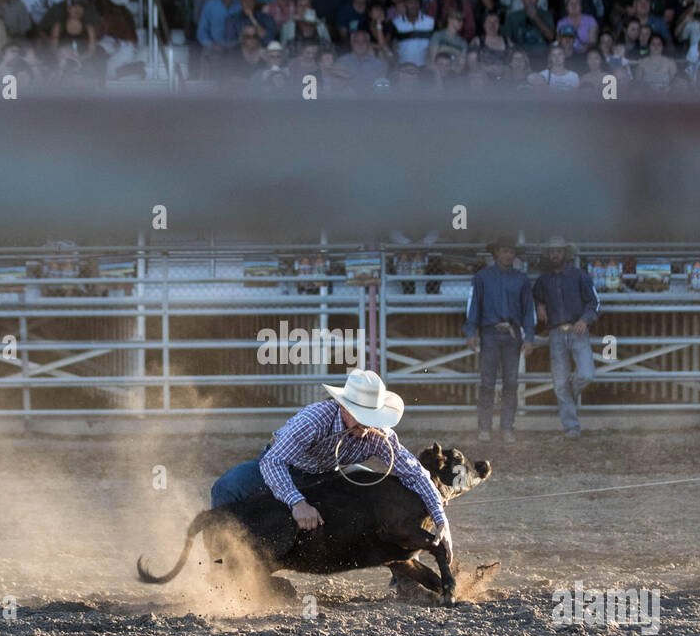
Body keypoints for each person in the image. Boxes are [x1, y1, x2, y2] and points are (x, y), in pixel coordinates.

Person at [209, 368, 455, 576]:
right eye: (362, 417)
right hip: (288, 467)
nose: (368, 426)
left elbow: (414, 473)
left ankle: (405, 576)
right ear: (344, 408)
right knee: (227, 487)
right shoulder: (315, 420)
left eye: (372, 418)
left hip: (329, 473)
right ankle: (221, 565)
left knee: (379, 497)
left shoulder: (379, 435)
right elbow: (273, 462)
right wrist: (297, 502)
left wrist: (440, 519)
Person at [464, 238, 532, 443]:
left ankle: (507, 427)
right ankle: (484, 427)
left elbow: (528, 310)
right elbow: (474, 305)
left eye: (511, 252)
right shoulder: (482, 277)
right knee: (487, 382)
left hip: (512, 334)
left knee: (511, 382)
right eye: (504, 251)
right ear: (496, 253)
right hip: (490, 333)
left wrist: (529, 336)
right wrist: (471, 331)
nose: (508, 255)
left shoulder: (521, 279)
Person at [533, 237, 599, 439]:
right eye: (552, 251)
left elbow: (594, 303)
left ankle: (568, 392)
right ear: (548, 254)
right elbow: (535, 297)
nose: (555, 254)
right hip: (555, 332)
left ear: (565, 254)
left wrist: (584, 320)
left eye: (559, 251)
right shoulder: (543, 280)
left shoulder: (580, 276)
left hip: (577, 330)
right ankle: (572, 427)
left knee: (586, 374)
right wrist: (539, 305)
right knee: (559, 380)